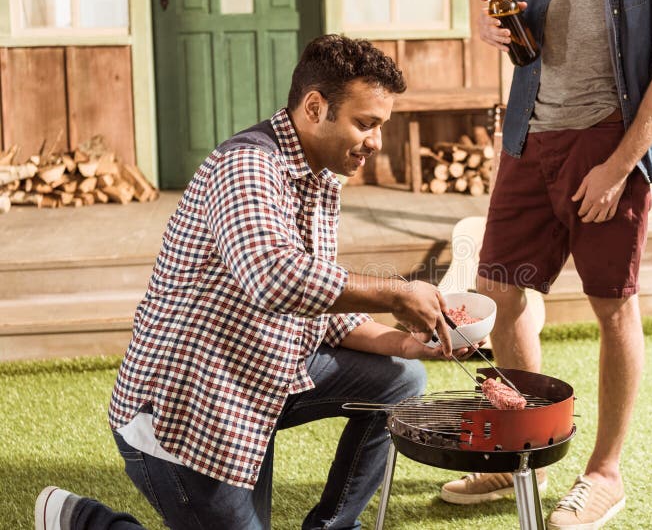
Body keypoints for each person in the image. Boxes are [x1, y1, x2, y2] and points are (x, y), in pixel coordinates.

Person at [35, 34, 476, 530]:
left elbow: (317, 302)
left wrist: (408, 344)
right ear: (315, 107)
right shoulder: (248, 166)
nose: (376, 140)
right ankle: (85, 520)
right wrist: (398, 292)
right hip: (188, 413)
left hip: (259, 382)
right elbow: (275, 279)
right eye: (366, 123)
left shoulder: (317, 175)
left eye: (381, 125)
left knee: (402, 378)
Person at [440, 0, 652, 528]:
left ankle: (606, 473)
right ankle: (525, 453)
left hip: (610, 140)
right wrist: (478, 16)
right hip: (530, 133)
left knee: (613, 304)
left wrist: (618, 167)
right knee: (500, 290)